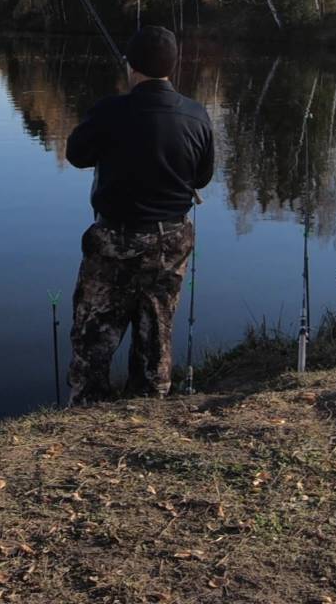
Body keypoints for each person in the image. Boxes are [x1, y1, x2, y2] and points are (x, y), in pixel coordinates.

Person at [64, 26, 214, 404]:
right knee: (156, 331)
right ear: (172, 66)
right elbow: (202, 177)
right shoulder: (197, 115)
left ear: (131, 66)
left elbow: (76, 155)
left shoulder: (109, 111)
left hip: (114, 242)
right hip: (171, 242)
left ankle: (89, 408)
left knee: (94, 336)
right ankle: (149, 405)